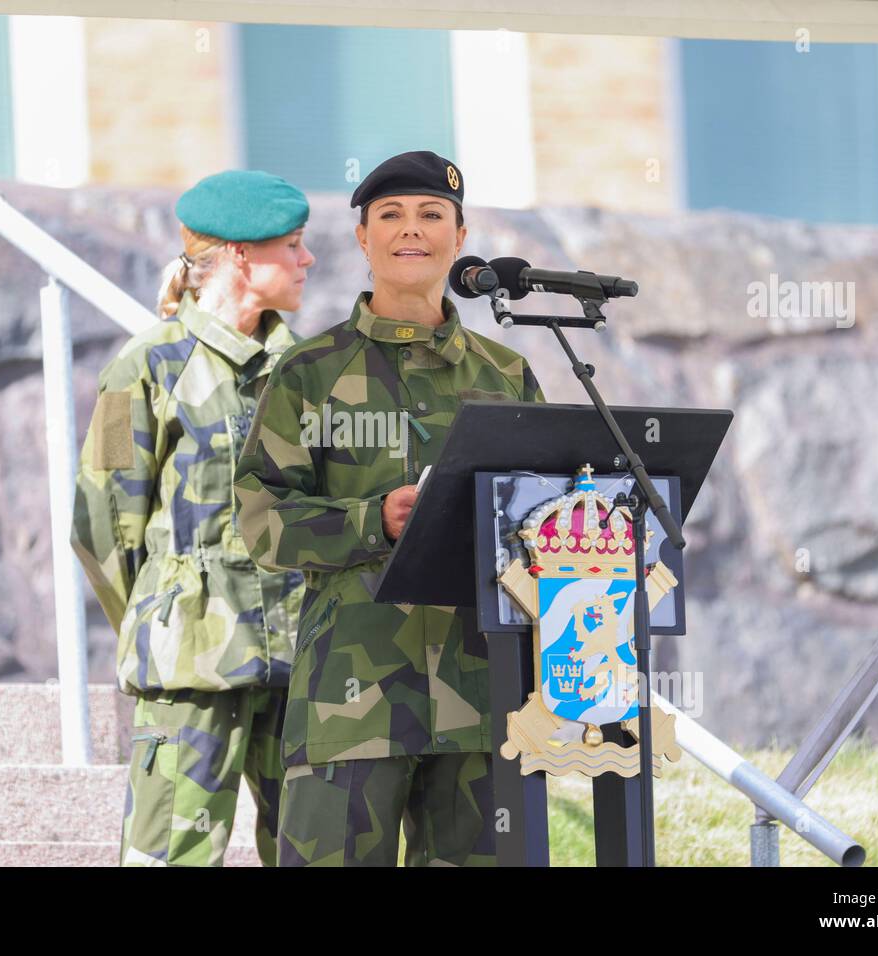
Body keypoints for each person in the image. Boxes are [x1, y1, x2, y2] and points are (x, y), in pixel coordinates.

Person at [233, 150, 545, 866]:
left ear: (460, 238)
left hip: (481, 698)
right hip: (354, 700)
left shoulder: (505, 375)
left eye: (432, 215)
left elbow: (542, 520)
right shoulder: (309, 373)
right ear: (362, 238)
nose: (413, 231)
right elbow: (260, 519)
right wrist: (373, 522)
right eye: (392, 216)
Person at [71, 169, 315, 866]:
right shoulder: (144, 367)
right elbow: (100, 522)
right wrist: (165, 616)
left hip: (298, 662)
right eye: (293, 245)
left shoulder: (308, 371)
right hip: (189, 670)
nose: (309, 259)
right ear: (240, 254)